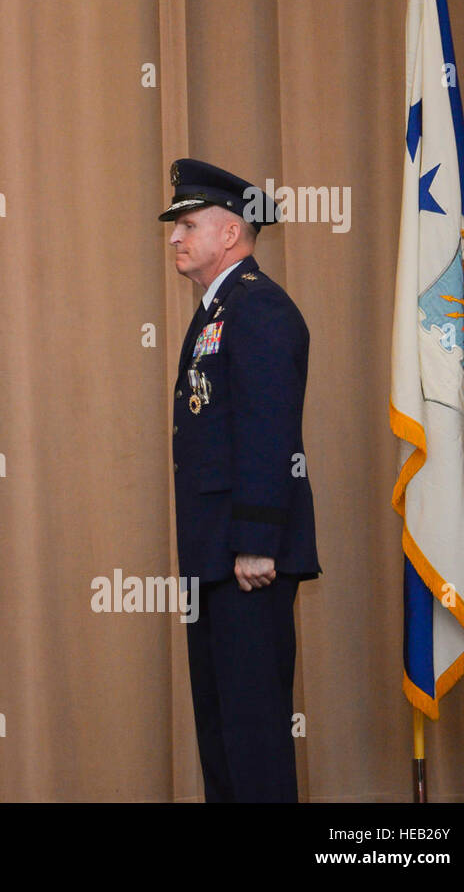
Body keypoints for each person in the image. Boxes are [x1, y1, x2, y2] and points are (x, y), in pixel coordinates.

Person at [161, 157, 319, 802]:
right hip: (215, 553)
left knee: (253, 740)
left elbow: (267, 429)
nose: (174, 237)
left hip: (247, 557)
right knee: (222, 734)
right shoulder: (217, 309)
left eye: (188, 224)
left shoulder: (259, 309)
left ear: (230, 233)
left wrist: (256, 539)